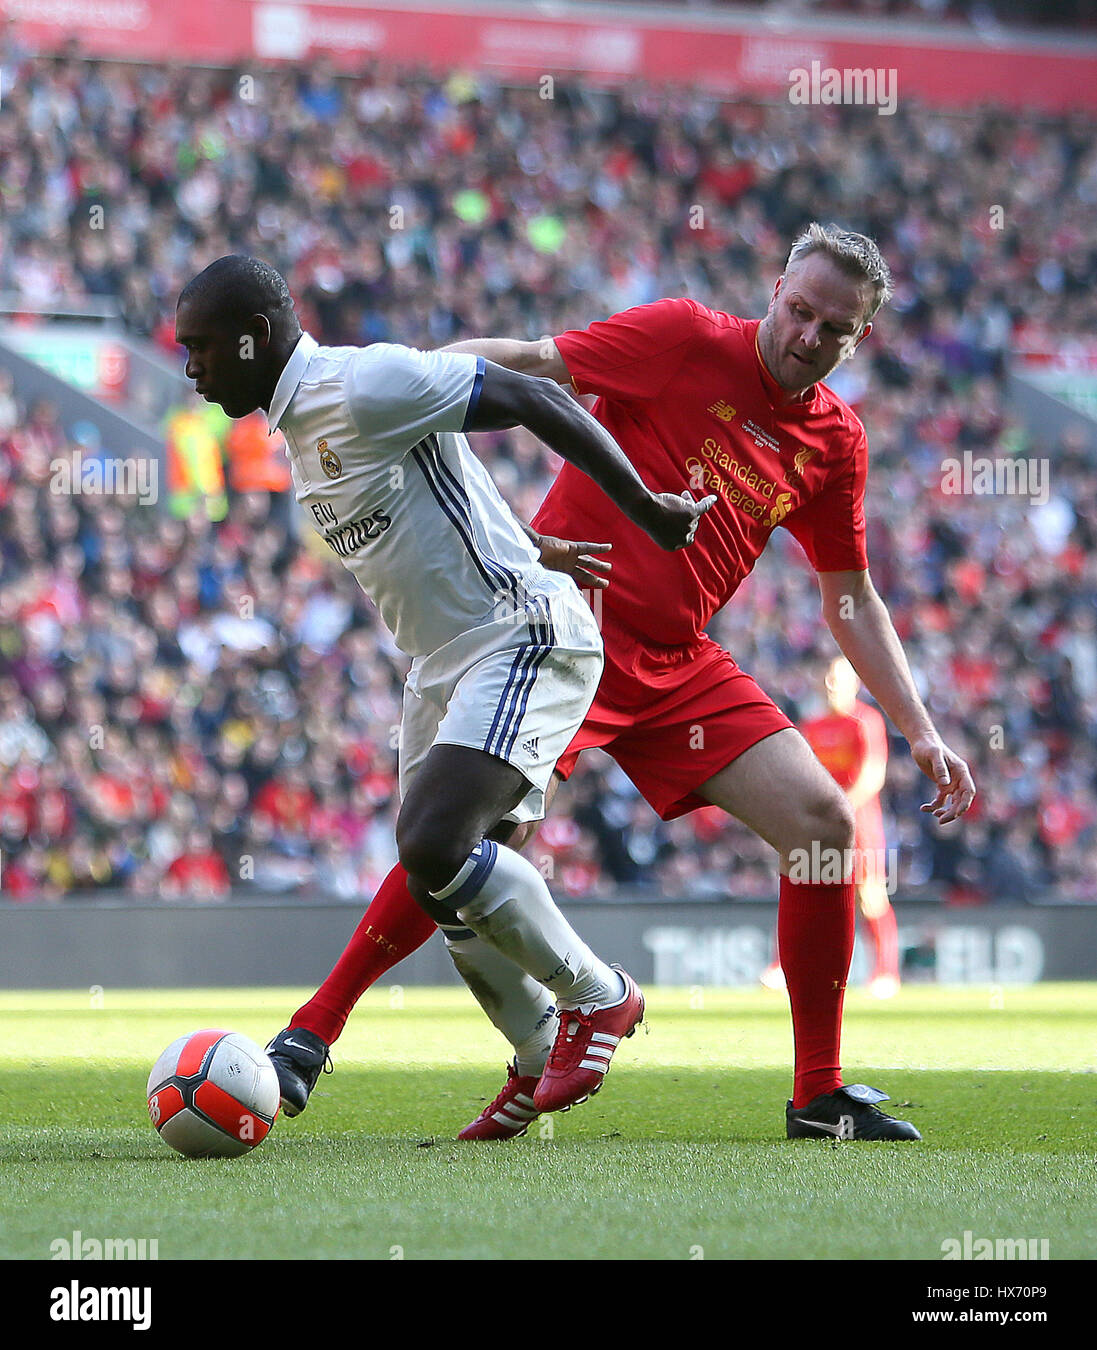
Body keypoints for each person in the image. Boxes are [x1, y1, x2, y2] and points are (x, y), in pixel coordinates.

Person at [269, 222, 976, 1141]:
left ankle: (817, 1093)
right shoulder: (684, 339)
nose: (807, 336)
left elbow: (849, 597)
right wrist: (396, 390)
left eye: (833, 329)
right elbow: (526, 363)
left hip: (679, 662)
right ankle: (315, 1033)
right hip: (569, 627)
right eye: (799, 310)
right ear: (773, 290)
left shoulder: (835, 442)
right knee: (473, 840)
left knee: (825, 827)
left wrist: (918, 729)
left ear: (860, 338)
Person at [173, 254, 714, 1114]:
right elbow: (433, 484)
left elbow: (531, 396)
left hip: (518, 634)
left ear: (257, 338)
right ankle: (538, 1049)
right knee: (439, 874)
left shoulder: (361, 383)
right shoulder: (303, 425)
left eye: (201, 348)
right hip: (438, 665)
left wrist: (644, 507)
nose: (191, 368)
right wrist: (529, 540)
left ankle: (597, 994)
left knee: (433, 843)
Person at [762, 656, 900, 998]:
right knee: (804, 889)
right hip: (820, 822)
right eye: (827, 680)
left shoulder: (866, 722)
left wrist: (839, 809)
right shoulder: (812, 726)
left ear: (854, 684)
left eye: (838, 679)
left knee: (869, 897)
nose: (831, 686)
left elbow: (872, 776)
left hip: (860, 824)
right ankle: (783, 967)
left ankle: (886, 974)